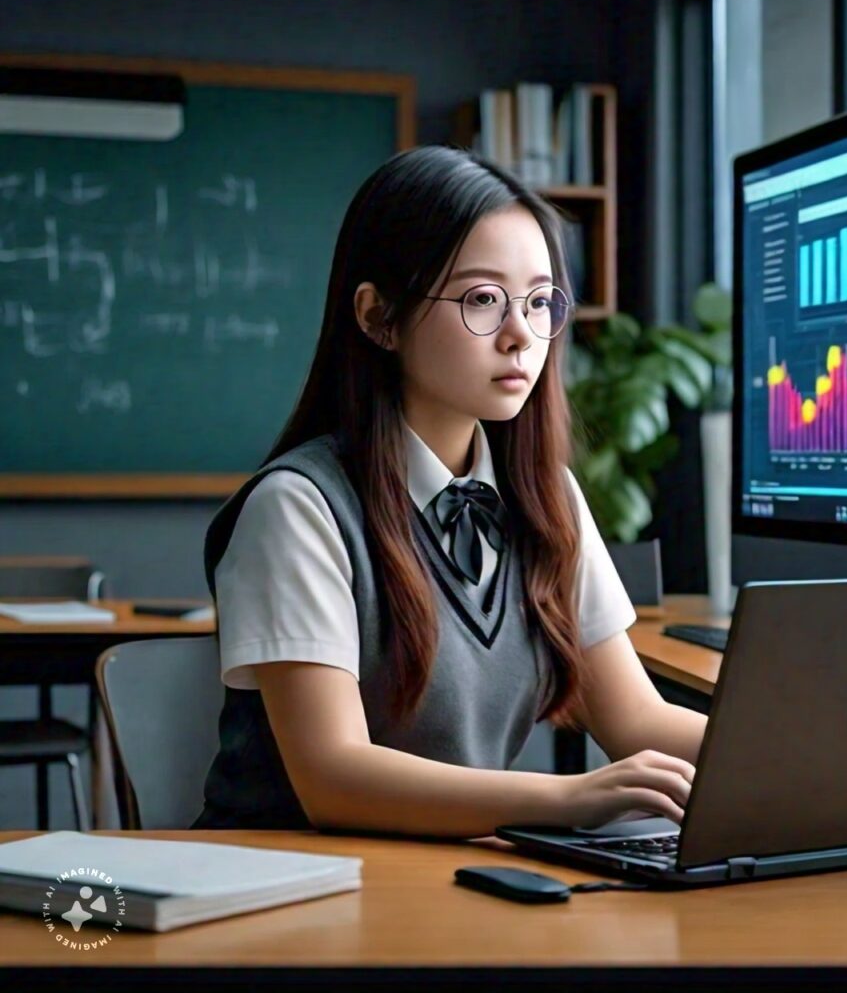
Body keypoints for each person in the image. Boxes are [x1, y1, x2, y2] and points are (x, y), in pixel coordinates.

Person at [191, 144, 706, 836]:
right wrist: (565, 798)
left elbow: (635, 719)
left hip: (461, 878)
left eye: (539, 301)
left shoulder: (546, 497)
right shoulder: (299, 507)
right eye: (483, 300)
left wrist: (807, 757)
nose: (523, 335)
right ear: (378, 317)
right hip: (293, 895)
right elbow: (332, 777)